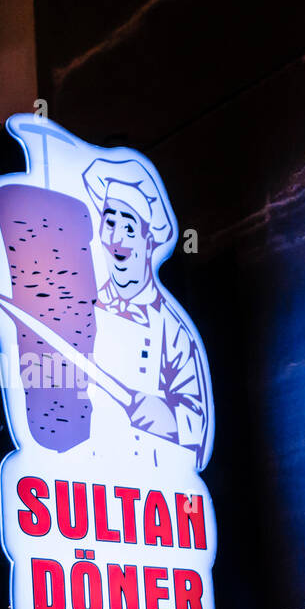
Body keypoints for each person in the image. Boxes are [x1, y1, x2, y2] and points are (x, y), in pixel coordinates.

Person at [80, 157, 209, 470]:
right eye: (110, 223)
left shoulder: (173, 329)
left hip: (150, 491)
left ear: (149, 242)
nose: (118, 239)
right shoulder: (82, 312)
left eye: (129, 226)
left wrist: (169, 417)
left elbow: (201, 430)